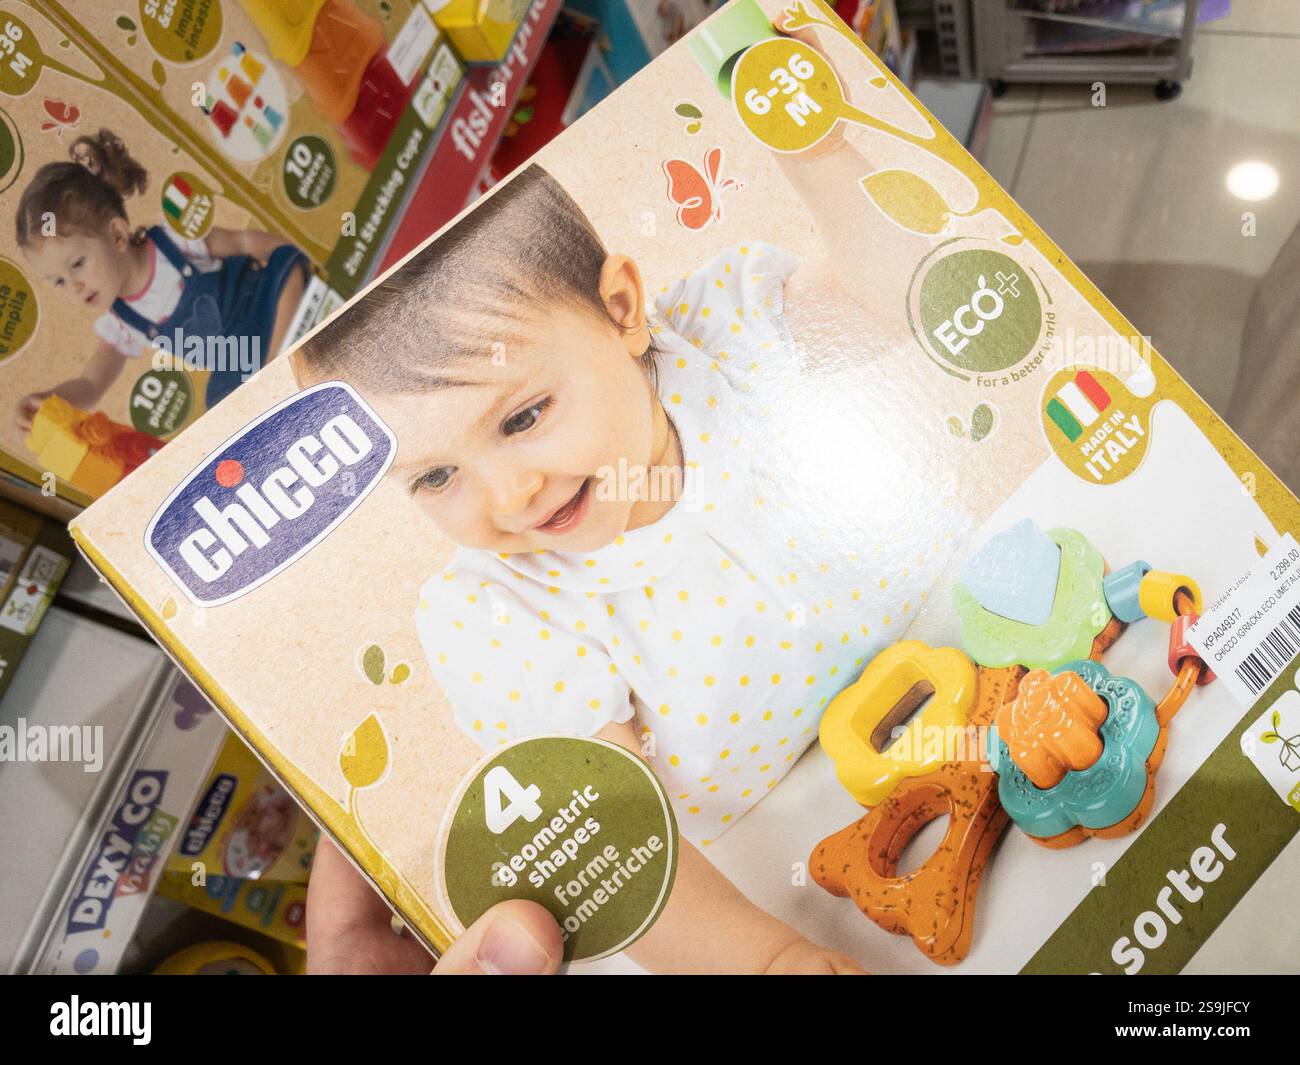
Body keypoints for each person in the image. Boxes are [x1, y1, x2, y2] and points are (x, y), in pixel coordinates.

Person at [12, 128, 307, 435]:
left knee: (286, 268)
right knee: (219, 405)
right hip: (238, 358)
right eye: (58, 281)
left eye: (77, 264)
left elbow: (244, 242)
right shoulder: (122, 324)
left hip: (265, 306)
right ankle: (275, 382)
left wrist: (283, 254)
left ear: (116, 234)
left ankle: (278, 358)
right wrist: (49, 402)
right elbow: (90, 384)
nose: (74, 286)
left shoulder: (174, 242)